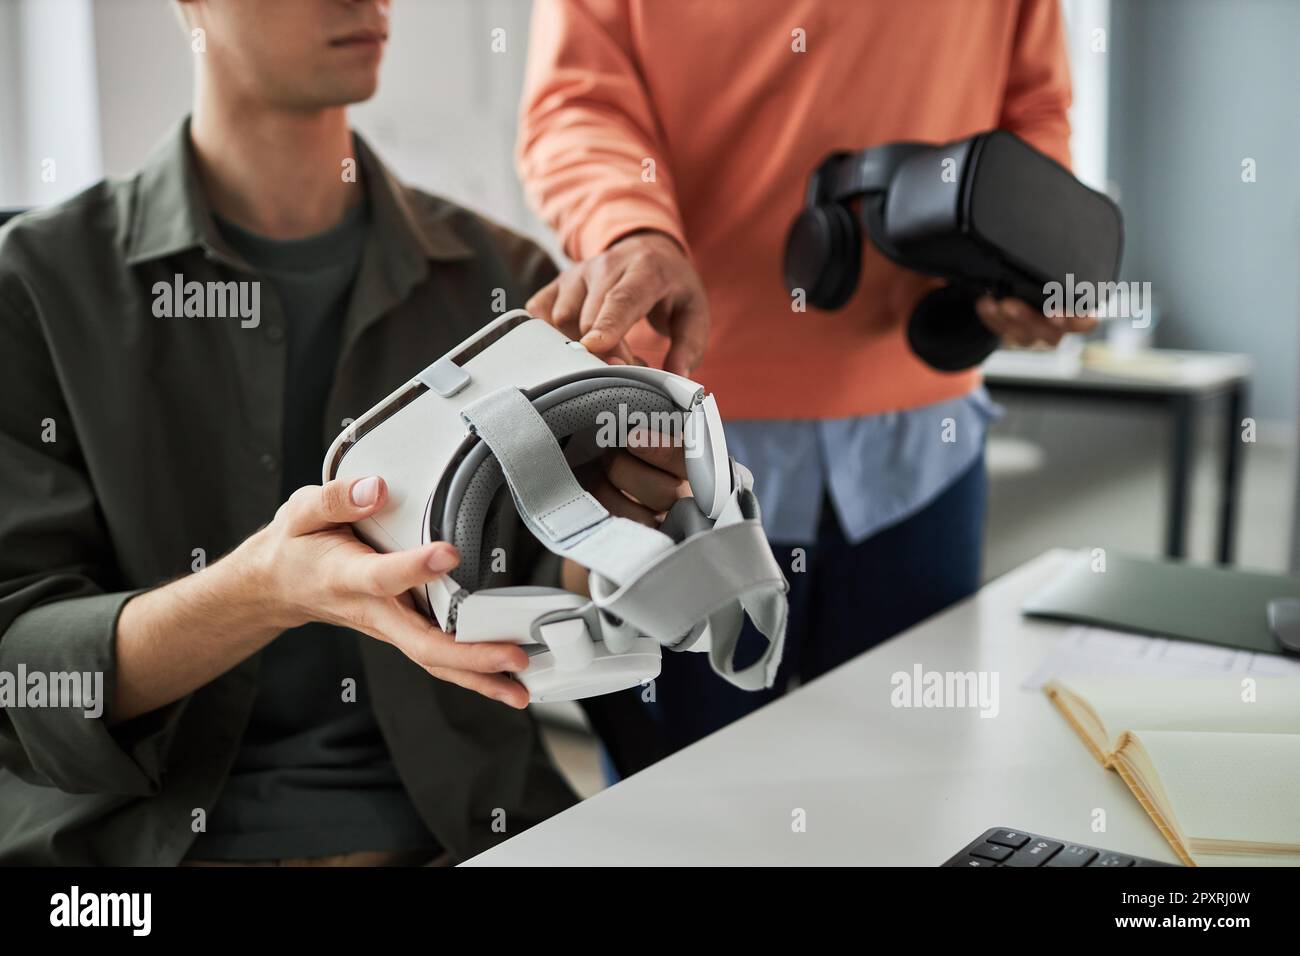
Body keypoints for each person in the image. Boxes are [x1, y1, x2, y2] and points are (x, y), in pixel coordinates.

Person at [0, 0, 676, 865]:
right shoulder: (38, 288)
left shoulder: (510, 286)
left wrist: (633, 511)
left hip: (469, 838)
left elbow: (560, 597)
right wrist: (257, 595)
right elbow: (20, 670)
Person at [518, 0, 1097, 760]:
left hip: (923, 445)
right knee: (682, 813)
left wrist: (1032, 251)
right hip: (681, 447)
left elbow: (1034, 111)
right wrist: (630, 228)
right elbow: (577, 102)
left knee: (904, 793)